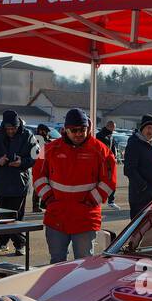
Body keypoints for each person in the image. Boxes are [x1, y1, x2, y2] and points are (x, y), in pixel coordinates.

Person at [34, 108, 117, 263]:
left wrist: (91, 200)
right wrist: (49, 197)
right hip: (57, 216)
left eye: (83, 130)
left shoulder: (101, 150)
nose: (79, 134)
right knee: (57, 263)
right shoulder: (50, 149)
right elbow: (38, 175)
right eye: (74, 130)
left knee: (84, 264)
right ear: (66, 129)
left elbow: (109, 181)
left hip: (85, 217)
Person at [0, 110, 33, 254]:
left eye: (13, 128)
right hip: (1, 182)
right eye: (8, 128)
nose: (11, 131)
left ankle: (20, 243)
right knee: (1, 215)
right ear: (4, 126)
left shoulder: (28, 135)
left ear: (18, 125)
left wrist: (22, 162)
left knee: (15, 215)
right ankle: (2, 242)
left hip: (19, 182)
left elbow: (37, 156)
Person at [124, 114, 152, 217]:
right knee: (140, 230)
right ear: (142, 128)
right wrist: (144, 187)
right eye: (148, 128)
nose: (151, 131)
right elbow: (129, 170)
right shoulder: (134, 144)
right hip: (140, 198)